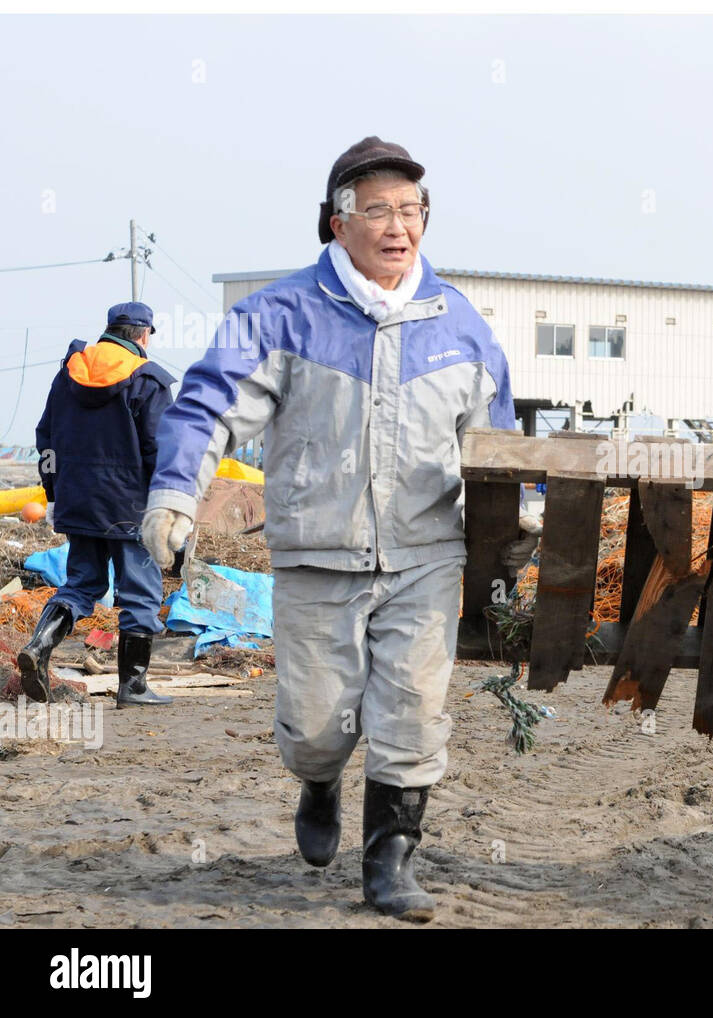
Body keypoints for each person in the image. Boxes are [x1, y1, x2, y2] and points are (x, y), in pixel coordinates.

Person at [141, 137, 537, 921]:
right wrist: (176, 493)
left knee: (413, 711)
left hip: (425, 555)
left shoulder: (458, 323)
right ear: (337, 224)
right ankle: (319, 782)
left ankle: (389, 861)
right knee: (320, 725)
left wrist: (516, 515)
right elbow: (209, 404)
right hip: (319, 555)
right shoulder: (281, 317)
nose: (400, 226)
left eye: (412, 210)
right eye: (380, 210)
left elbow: (497, 443)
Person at [20, 303, 176, 708]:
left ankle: (38, 647)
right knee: (140, 593)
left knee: (81, 585)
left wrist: (54, 494)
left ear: (111, 330)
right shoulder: (149, 381)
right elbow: (161, 450)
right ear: (143, 335)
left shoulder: (68, 373)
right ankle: (133, 686)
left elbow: (46, 440)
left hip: (79, 502)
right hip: (131, 509)